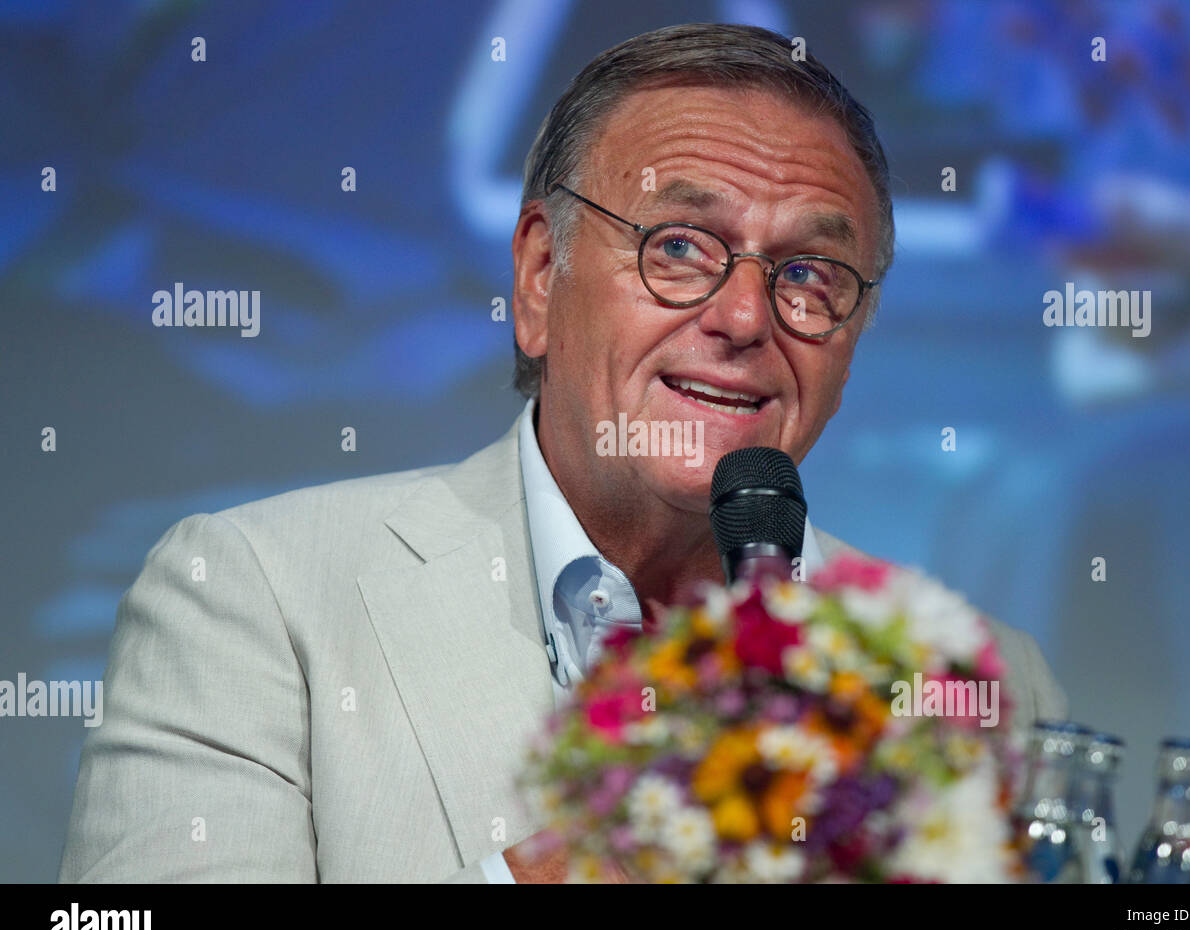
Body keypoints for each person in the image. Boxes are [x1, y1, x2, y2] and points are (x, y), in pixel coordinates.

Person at [59, 23, 1068, 884]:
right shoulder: (255, 601)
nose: (745, 316)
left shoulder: (979, 683)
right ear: (541, 278)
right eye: (679, 246)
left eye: (809, 272)